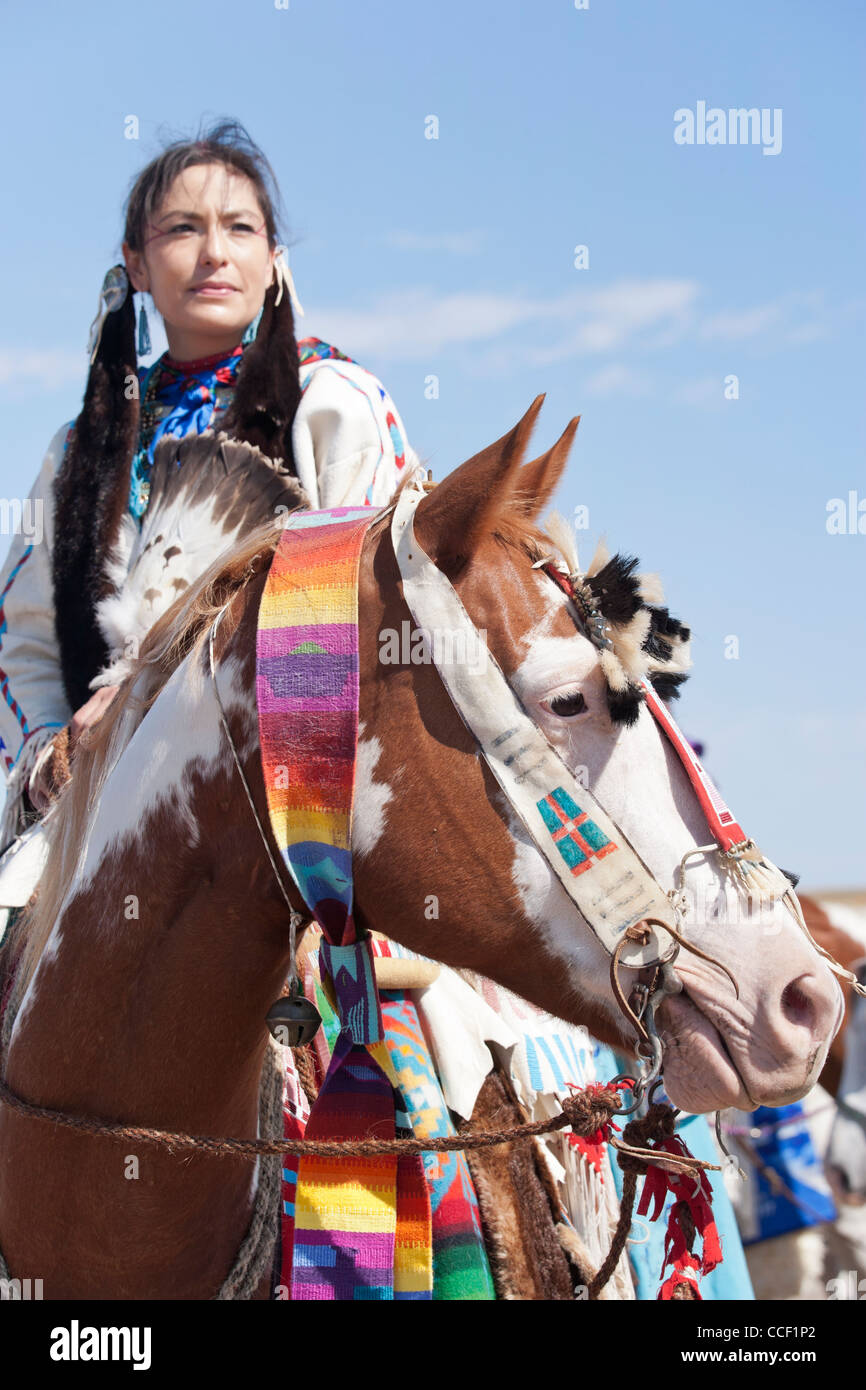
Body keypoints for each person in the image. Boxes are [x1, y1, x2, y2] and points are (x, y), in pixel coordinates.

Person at [0, 120, 419, 852]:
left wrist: (145, 694)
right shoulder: (78, 449)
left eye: (240, 228)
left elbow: (376, 601)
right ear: (134, 263)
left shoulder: (334, 401)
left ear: (274, 259)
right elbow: (25, 639)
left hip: (304, 812)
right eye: (182, 229)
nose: (215, 253)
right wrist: (48, 755)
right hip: (98, 822)